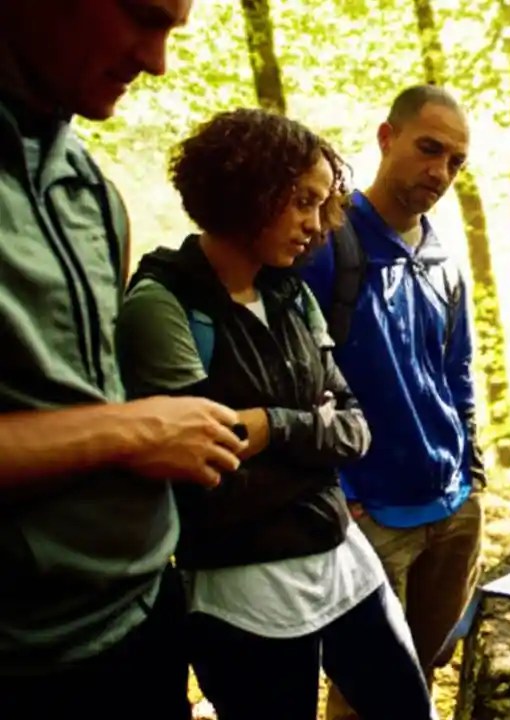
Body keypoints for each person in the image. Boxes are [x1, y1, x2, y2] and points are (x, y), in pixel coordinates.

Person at [116, 108, 434, 720]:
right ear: (243, 192)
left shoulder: (289, 295)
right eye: (300, 203)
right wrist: (310, 442)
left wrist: (275, 426)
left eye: (322, 205)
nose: (316, 226)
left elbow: (356, 427)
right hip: (245, 589)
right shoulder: (164, 307)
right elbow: (211, 474)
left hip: (341, 559)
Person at [0, 3, 246, 718]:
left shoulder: (86, 182)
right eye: (143, 16)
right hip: (29, 661)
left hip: (140, 620)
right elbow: (118, 421)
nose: (157, 59)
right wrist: (135, 431)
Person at [297, 85, 483, 719]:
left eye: (456, 162)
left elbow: (457, 373)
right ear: (386, 137)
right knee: (360, 694)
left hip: (454, 511)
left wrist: (472, 470)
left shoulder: (445, 260)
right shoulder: (324, 245)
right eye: (429, 150)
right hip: (368, 516)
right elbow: (288, 377)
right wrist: (339, 489)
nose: (440, 173)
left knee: (420, 678)